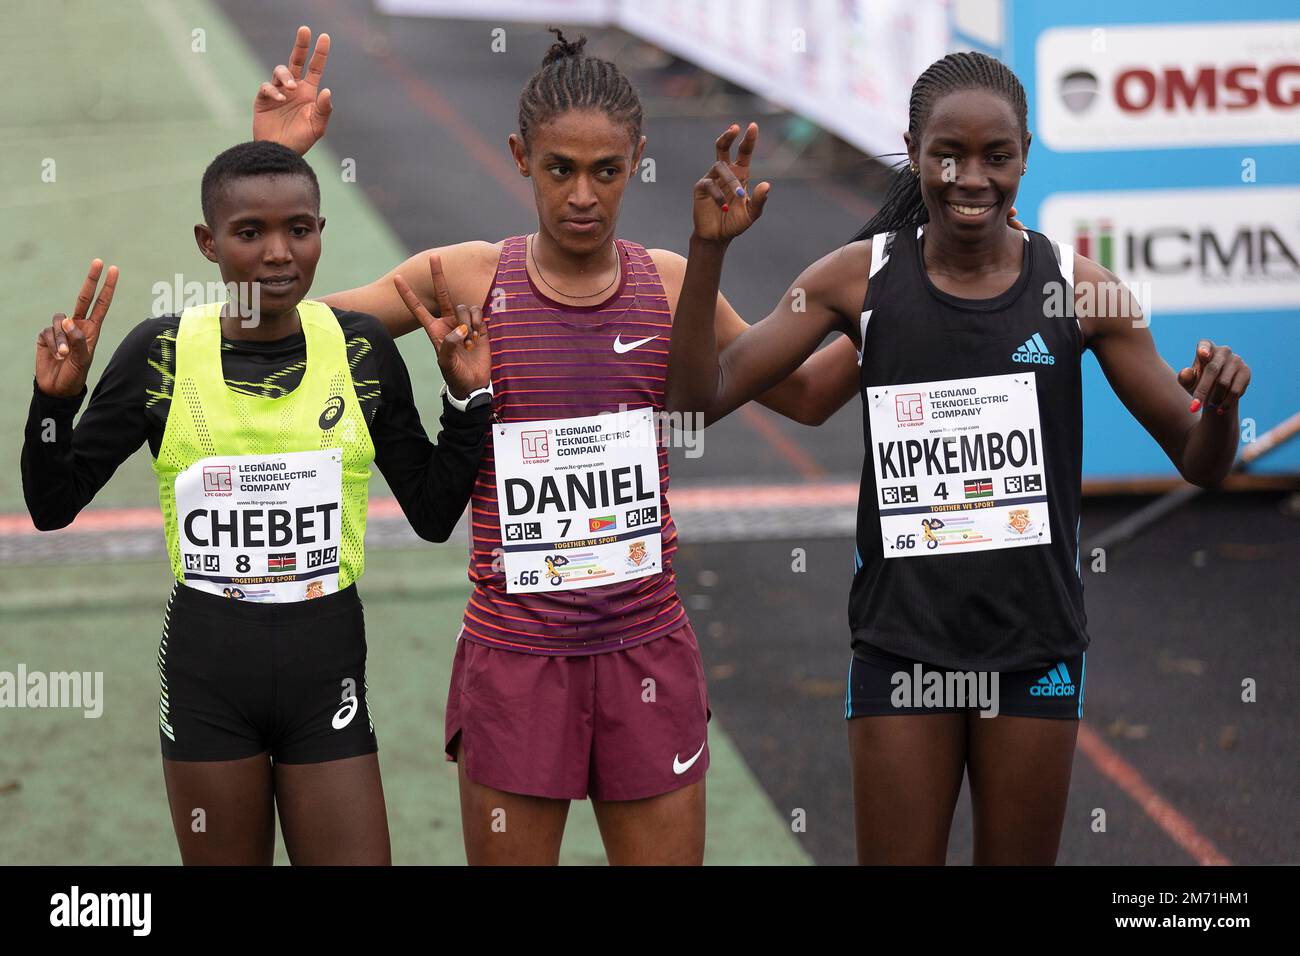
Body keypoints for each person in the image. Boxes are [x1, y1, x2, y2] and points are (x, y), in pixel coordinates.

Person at [252, 24, 901, 865]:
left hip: (647, 658)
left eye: (607, 171)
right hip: (515, 665)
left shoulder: (670, 283)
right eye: (561, 169)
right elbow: (282, 330)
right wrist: (267, 163)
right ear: (521, 156)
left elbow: (808, 395)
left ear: (637, 158)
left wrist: (904, 298)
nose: (584, 195)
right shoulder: (467, 277)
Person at [666, 51, 1250, 864]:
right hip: (901, 649)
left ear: (1025, 153)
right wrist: (708, 251)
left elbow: (1199, 460)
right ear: (911, 150)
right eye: (948, 153)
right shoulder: (855, 279)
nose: (969, 177)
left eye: (995, 157)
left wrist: (1218, 410)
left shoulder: (1082, 291)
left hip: (1034, 652)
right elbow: (698, 402)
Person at [21, 140, 492, 865]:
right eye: (251, 234)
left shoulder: (361, 349)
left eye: (298, 229)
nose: (279, 254)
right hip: (210, 676)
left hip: (326, 674)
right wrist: (54, 403)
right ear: (209, 244)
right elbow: (53, 505)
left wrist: (466, 401)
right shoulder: (163, 354)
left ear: (320, 233)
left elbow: (433, 516)